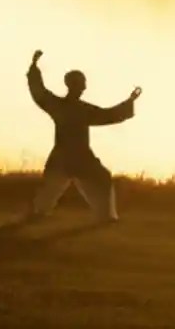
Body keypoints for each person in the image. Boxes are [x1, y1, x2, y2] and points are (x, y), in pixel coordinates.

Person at [25, 49, 141, 222]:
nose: (84, 87)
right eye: (82, 83)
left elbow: (39, 92)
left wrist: (34, 68)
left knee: (53, 187)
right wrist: (129, 102)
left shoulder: (61, 106)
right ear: (77, 85)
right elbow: (108, 115)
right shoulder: (76, 108)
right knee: (96, 179)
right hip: (76, 155)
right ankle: (106, 216)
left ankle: (41, 213)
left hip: (66, 155)